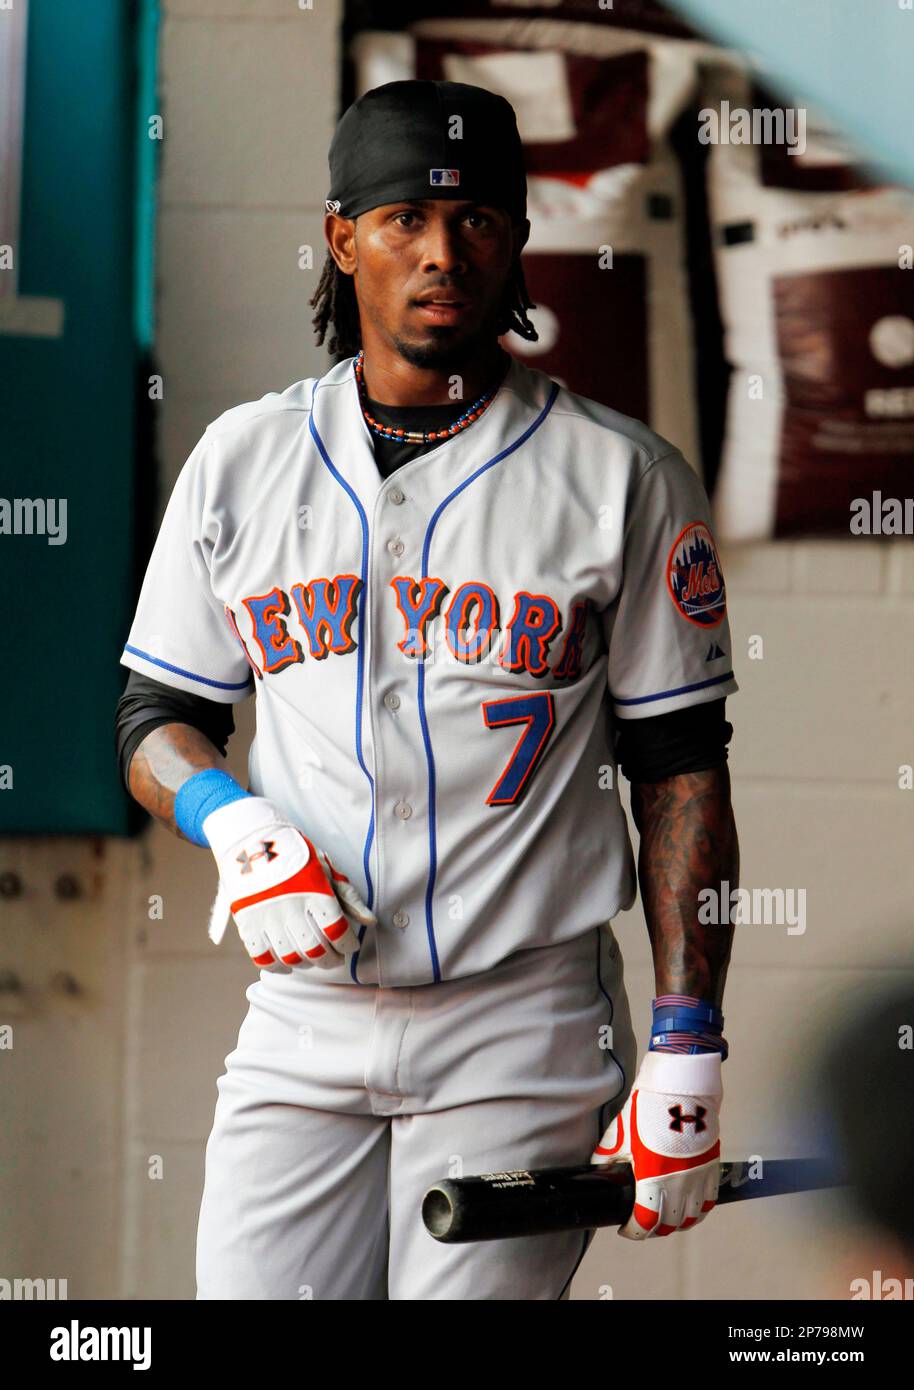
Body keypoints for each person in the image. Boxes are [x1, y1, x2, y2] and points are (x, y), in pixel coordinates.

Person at [115, 79, 740, 1301]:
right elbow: (155, 721)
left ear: (515, 242)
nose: (441, 253)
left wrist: (684, 1045)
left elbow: (679, 771)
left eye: (476, 221)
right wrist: (228, 821)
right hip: (303, 1019)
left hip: (523, 1024)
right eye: (403, 218)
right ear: (342, 237)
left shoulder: (620, 477)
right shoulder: (243, 459)